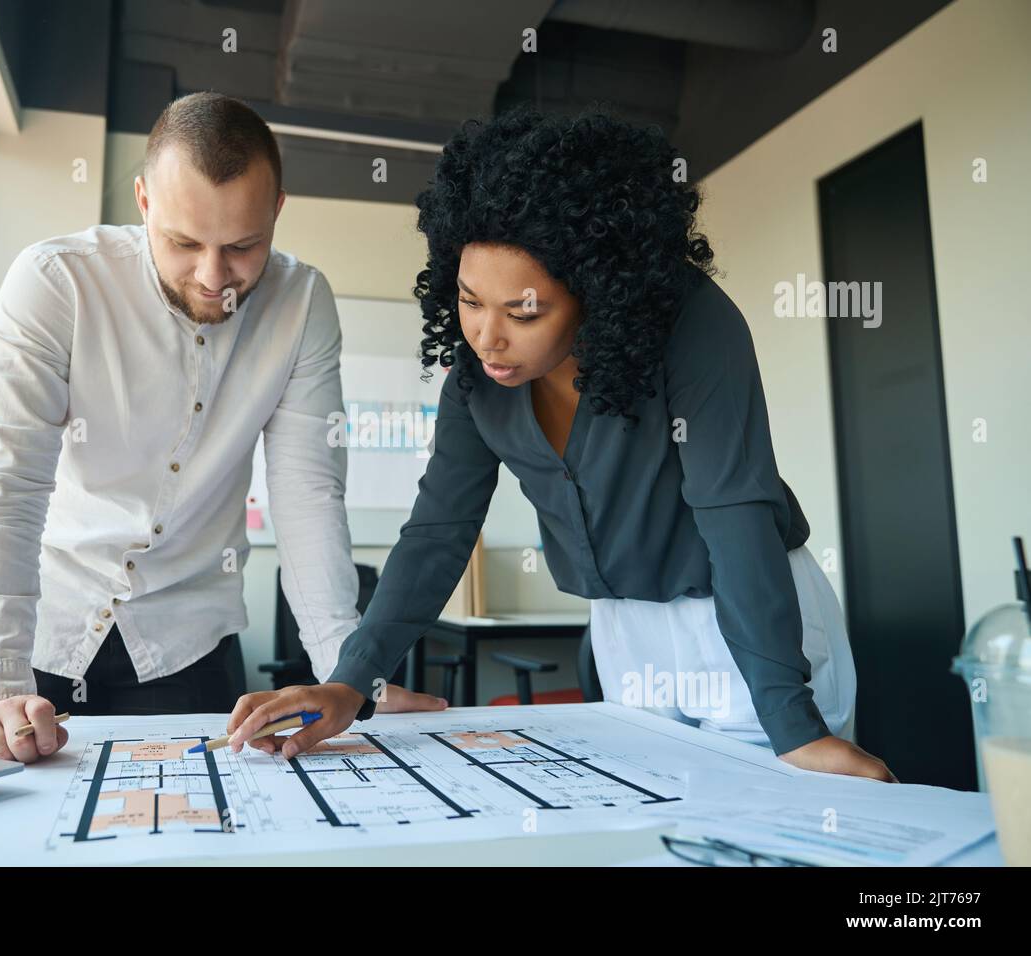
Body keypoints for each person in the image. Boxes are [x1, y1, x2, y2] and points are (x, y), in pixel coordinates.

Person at [226, 106, 896, 782]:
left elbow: (734, 512)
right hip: (624, 631)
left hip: (749, 616)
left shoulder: (695, 328)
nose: (487, 336)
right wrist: (351, 684)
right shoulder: (478, 379)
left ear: (598, 294)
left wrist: (793, 725)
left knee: (784, 822)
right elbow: (438, 532)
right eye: (468, 300)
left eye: (524, 312)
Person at [0, 92, 444, 762]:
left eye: (243, 245)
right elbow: (3, 485)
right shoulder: (56, 282)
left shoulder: (302, 305)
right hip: (39, 634)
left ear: (277, 211)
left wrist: (350, 676)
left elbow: (307, 497)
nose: (215, 278)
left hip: (190, 649)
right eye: (184, 243)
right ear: (144, 202)